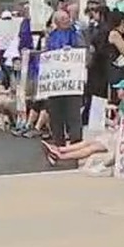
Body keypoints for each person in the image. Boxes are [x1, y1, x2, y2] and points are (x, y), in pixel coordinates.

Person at [43, 10, 85, 149]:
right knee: (56, 114)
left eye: (67, 18)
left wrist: (72, 51)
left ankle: (76, 144)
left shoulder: (76, 34)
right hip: (56, 83)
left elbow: (85, 53)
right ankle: (58, 144)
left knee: (73, 114)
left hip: (72, 81)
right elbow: (46, 56)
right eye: (62, 19)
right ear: (56, 22)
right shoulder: (51, 37)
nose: (66, 21)